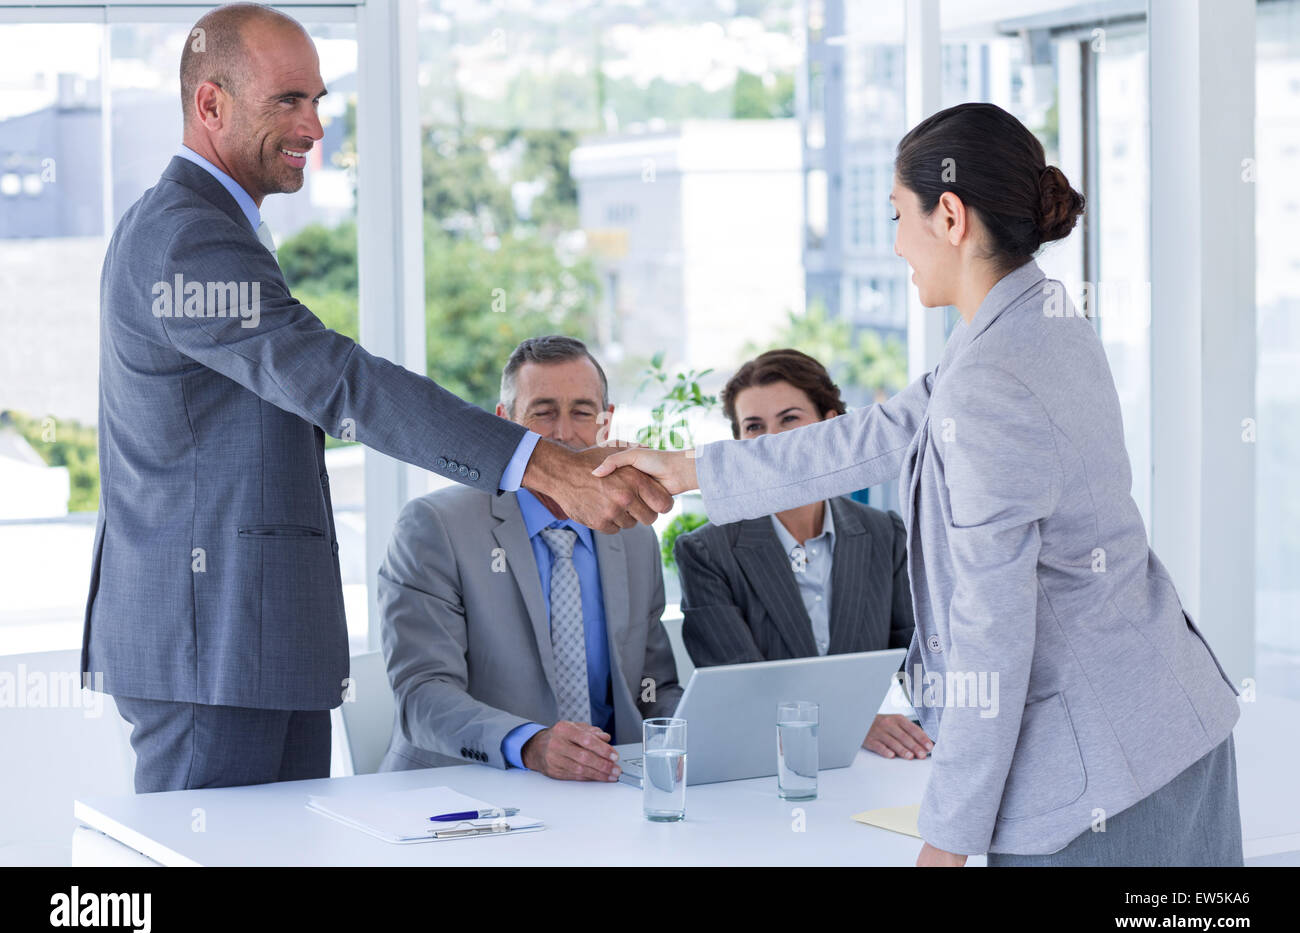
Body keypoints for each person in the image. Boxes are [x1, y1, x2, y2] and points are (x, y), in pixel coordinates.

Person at [596, 102, 1243, 867]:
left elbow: (990, 636)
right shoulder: (1035, 320)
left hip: (1100, 779)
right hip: (1168, 723)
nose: (896, 242)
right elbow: (883, 431)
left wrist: (947, 839)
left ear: (949, 215)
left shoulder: (994, 376)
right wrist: (695, 469)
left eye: (898, 214)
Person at [84, 4, 669, 794]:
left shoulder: (218, 226)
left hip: (250, 644)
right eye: (287, 101)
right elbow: (340, 381)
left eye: (318, 100)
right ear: (211, 104)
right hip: (211, 646)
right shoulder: (188, 235)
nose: (314, 126)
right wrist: (538, 465)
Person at [377, 337, 681, 780]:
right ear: (504, 423)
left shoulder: (633, 534)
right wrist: (531, 745)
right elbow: (423, 695)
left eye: (581, 412)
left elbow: (654, 689)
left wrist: (683, 737)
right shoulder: (434, 527)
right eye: (542, 412)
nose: (562, 433)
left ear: (606, 422)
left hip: (606, 792)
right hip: (463, 795)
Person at [673, 349, 931, 760]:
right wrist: (851, 722)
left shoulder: (884, 534)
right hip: (763, 765)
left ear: (833, 428)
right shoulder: (706, 552)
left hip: (866, 767)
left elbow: (915, 662)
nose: (773, 442)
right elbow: (741, 687)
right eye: (754, 427)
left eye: (789, 419)